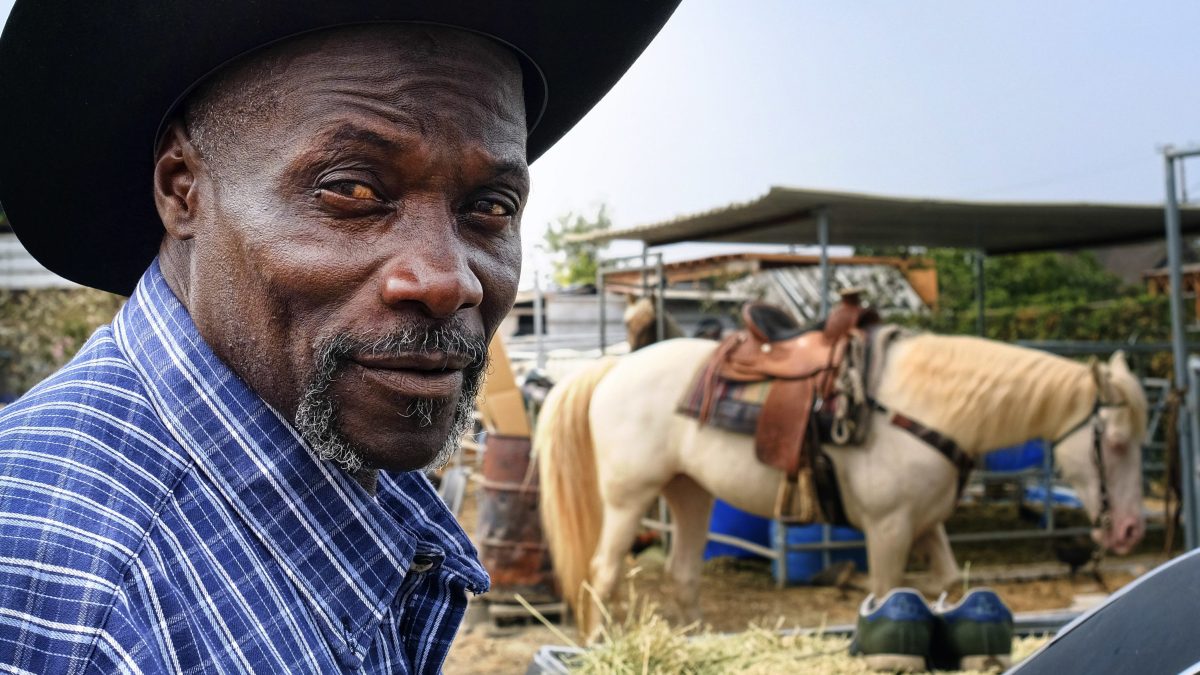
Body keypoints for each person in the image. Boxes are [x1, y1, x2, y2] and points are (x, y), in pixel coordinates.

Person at [0, 3, 678, 672]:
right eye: (351, 189)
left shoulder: (334, 469)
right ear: (184, 192)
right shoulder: (84, 613)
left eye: (490, 208)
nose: (448, 281)